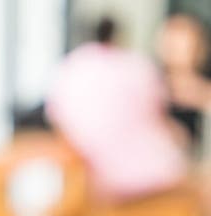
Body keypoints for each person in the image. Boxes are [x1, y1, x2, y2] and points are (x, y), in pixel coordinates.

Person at [46, 17, 188, 200]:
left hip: (87, 177)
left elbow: (57, 122)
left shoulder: (68, 67)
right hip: (148, 179)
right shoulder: (138, 65)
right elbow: (158, 114)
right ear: (119, 37)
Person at [156, 13, 211, 145]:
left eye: (181, 42)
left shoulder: (205, 91)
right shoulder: (153, 86)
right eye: (170, 42)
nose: (173, 48)